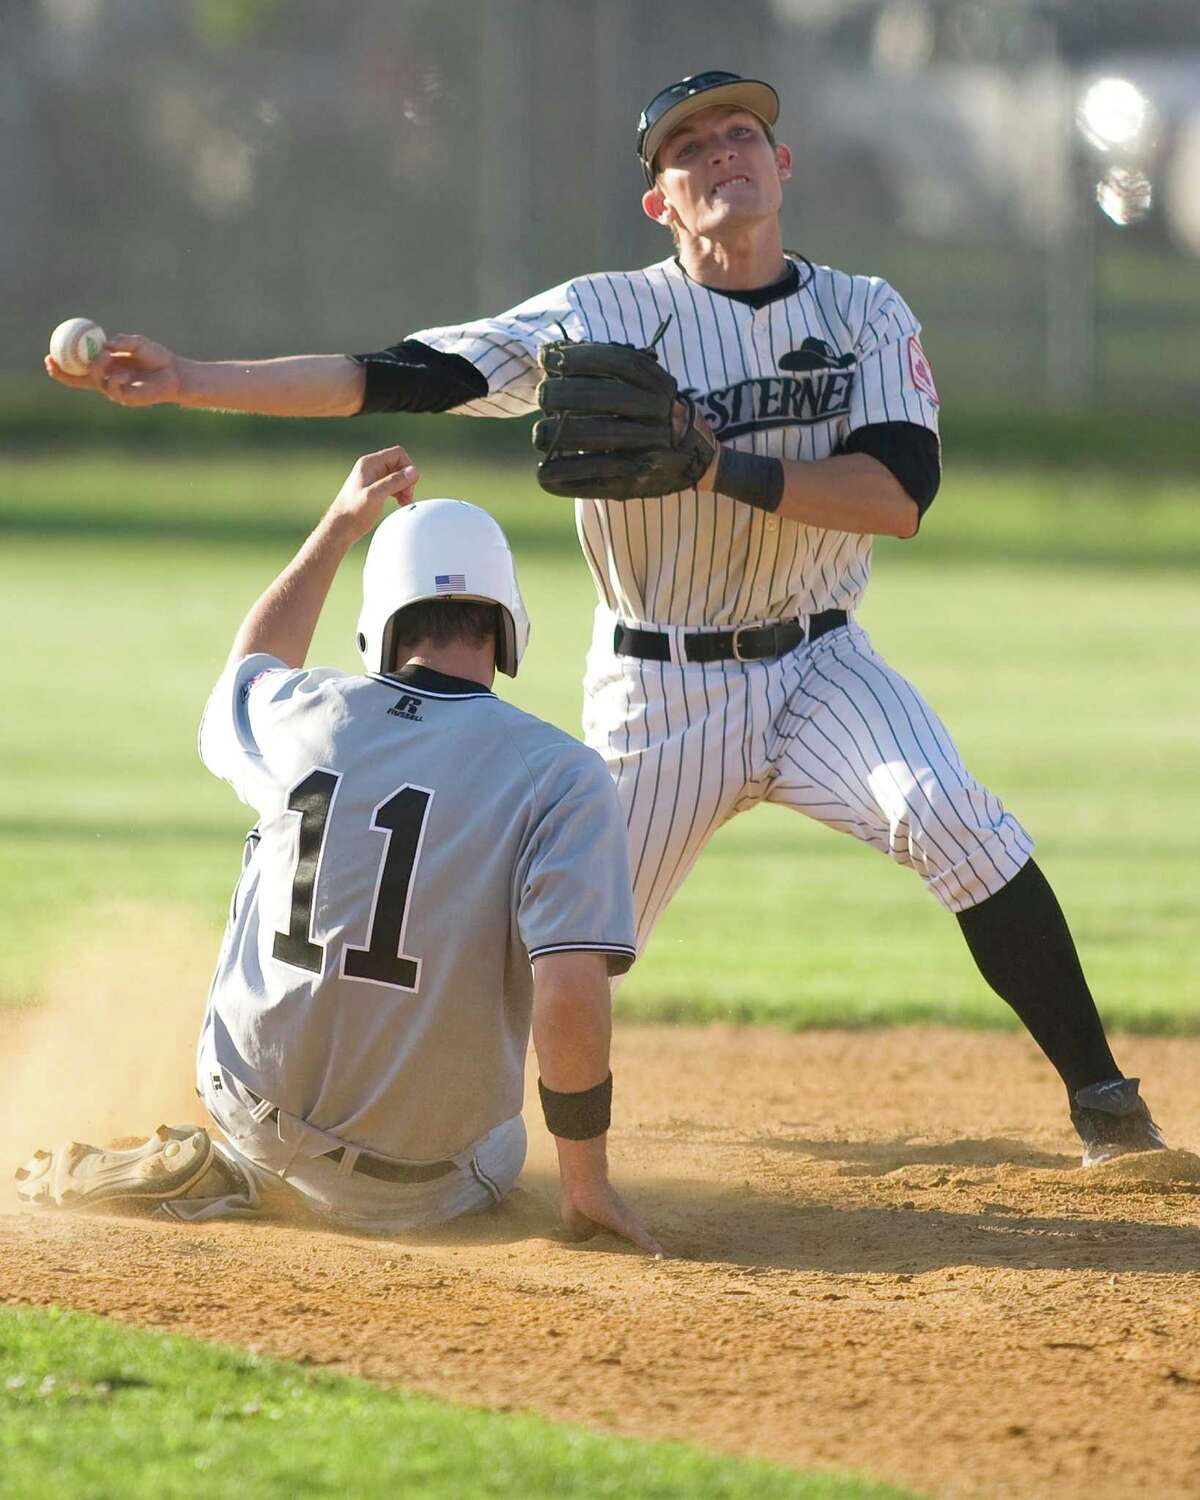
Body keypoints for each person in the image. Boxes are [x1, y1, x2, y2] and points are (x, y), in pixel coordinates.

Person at [45, 73, 1167, 1168]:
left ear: (783, 165)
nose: (721, 152)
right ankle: (328, 1108)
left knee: (951, 815)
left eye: (741, 135)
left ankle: (1107, 1109)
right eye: (689, 148)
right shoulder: (599, 316)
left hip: (823, 661)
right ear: (660, 202)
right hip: (657, 688)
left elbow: (900, 497)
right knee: (525, 945)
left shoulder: (866, 312)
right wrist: (191, 375)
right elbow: (399, 375)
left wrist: (712, 464)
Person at [16, 444, 662, 1252]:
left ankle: (241, 1166)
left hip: (246, 1111)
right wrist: (585, 1182)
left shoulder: (305, 707)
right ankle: (296, 1175)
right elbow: (568, 991)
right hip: (419, 1192)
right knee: (505, 1142)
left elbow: (246, 671)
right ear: (504, 626)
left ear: (385, 624)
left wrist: (338, 524)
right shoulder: (564, 775)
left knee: (274, 831)